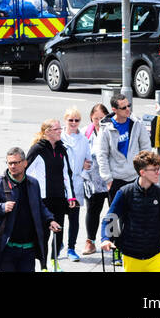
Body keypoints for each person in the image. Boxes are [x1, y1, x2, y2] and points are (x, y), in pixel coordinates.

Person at [0, 146, 61, 272]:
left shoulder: (33, 183)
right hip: (6, 248)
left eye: (16, 162)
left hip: (28, 249)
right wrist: (1, 207)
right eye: (10, 163)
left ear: (25, 163)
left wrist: (49, 220)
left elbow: (39, 205)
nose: (13, 166)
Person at [101, 150, 160, 272]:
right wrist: (106, 239)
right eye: (155, 169)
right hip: (131, 255)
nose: (159, 172)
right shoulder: (125, 192)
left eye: (159, 169)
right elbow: (111, 217)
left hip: (155, 255)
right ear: (142, 172)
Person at [25, 117, 80, 269]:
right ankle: (43, 265)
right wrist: (30, 193)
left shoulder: (62, 149)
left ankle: (54, 261)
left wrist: (71, 196)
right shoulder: (38, 149)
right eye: (57, 129)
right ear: (47, 132)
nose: (60, 131)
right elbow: (25, 172)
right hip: (43, 199)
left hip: (59, 197)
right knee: (44, 233)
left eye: (60, 129)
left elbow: (67, 174)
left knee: (59, 230)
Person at [95, 94, 151, 200]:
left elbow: (146, 148)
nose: (127, 109)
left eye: (128, 105)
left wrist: (144, 172)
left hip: (135, 177)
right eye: (123, 107)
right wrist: (108, 179)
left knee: (135, 214)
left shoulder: (136, 123)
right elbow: (102, 154)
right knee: (116, 214)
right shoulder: (106, 128)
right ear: (114, 109)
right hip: (116, 179)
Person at [59, 107, 94, 261]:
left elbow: (89, 161)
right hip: (60, 185)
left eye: (77, 120)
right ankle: (58, 244)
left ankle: (71, 248)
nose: (73, 123)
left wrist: (86, 166)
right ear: (65, 120)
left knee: (74, 218)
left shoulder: (84, 140)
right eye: (70, 120)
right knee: (58, 218)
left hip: (76, 184)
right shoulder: (59, 138)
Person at [80, 102, 111, 255]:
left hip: (111, 179)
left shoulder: (112, 130)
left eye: (102, 118)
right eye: (95, 118)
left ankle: (113, 242)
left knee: (114, 212)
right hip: (93, 181)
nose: (98, 121)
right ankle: (90, 241)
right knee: (93, 211)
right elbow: (76, 151)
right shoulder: (85, 132)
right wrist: (82, 162)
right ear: (91, 118)